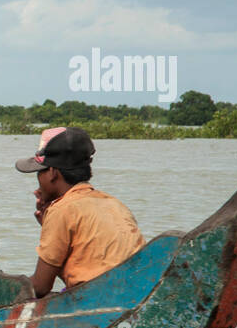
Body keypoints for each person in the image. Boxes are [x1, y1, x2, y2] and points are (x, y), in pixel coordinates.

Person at [15, 126, 144, 297]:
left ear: (52, 172)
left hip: (98, 301)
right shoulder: (115, 204)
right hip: (133, 294)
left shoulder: (61, 210)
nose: (37, 182)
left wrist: (2, 291)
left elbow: (40, 286)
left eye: (39, 173)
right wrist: (48, 225)